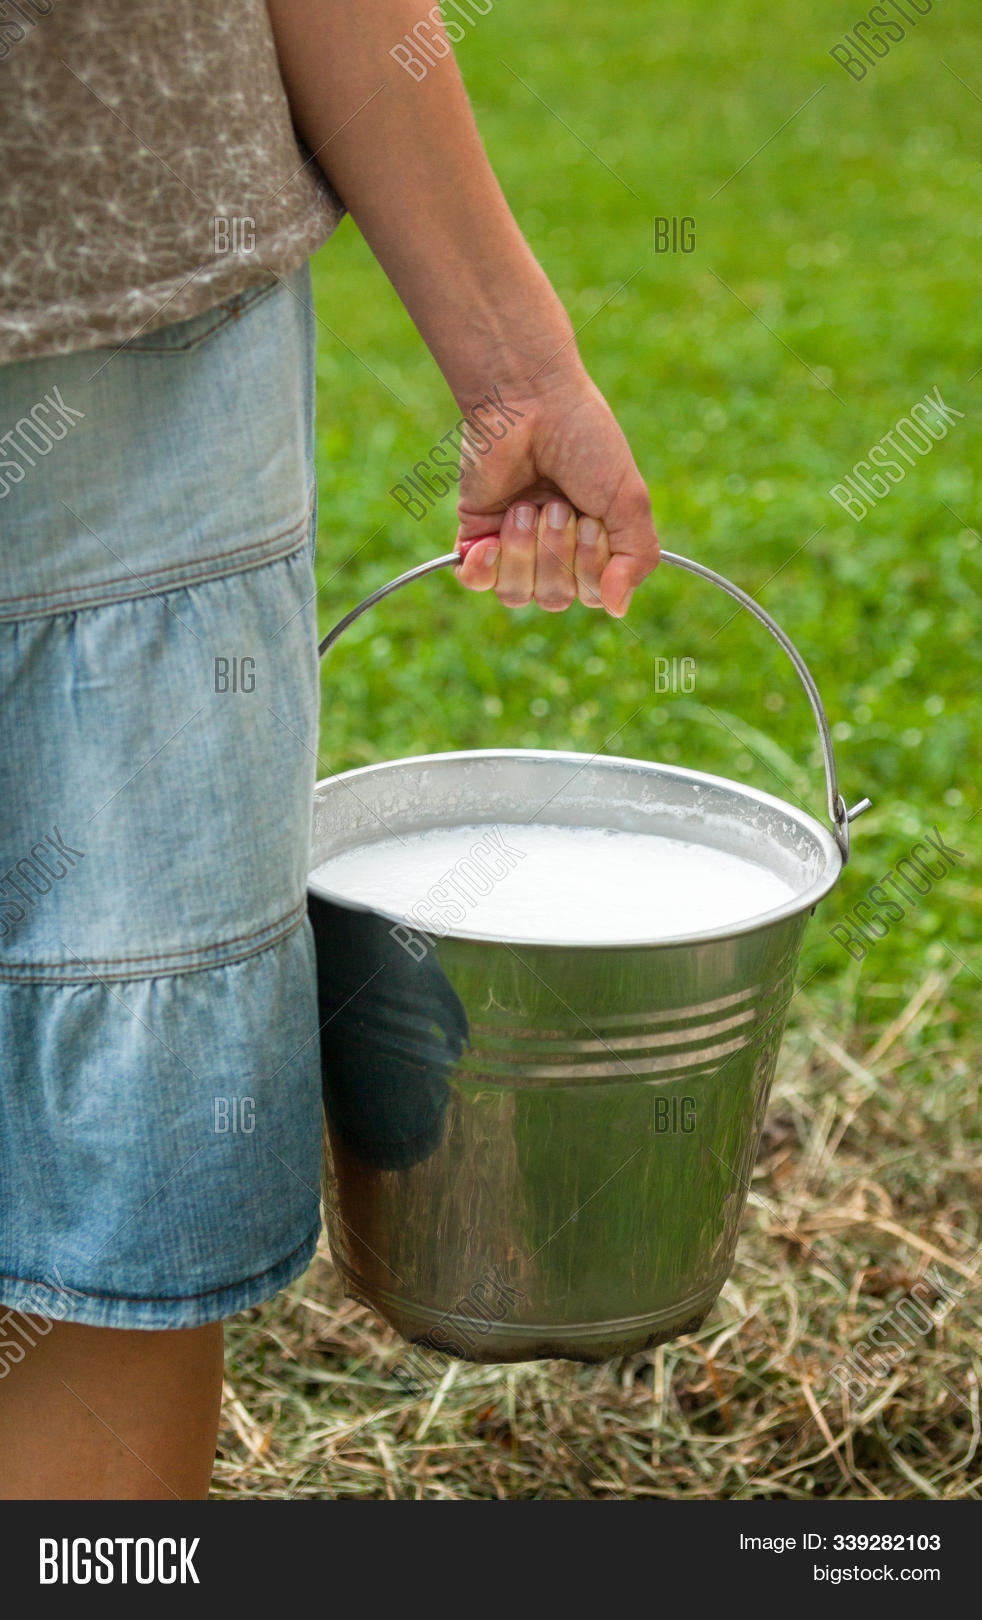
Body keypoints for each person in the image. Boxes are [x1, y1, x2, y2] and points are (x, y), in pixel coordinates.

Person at [0, 0, 657, 1499]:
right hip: (139, 346)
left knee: (122, 1170)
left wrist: (518, 371)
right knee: (121, 1134)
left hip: (136, 343)